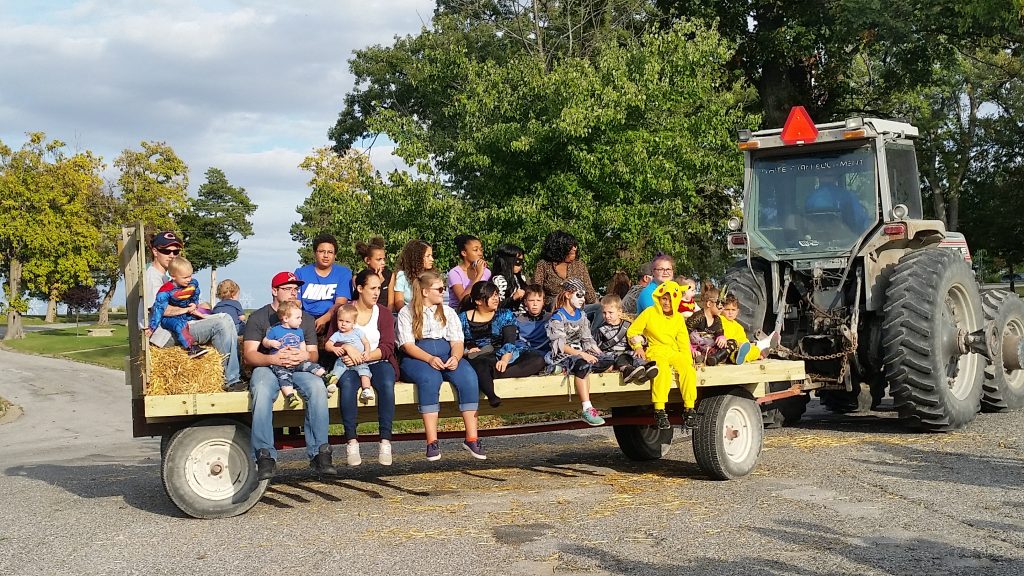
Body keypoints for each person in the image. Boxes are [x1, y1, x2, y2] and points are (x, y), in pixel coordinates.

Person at [243, 271, 335, 480]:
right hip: (268, 366)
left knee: (317, 387)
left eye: (296, 289)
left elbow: (313, 354)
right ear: (274, 291)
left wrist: (302, 354)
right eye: (287, 289)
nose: (293, 293)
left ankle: (320, 452)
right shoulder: (259, 317)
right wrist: (272, 359)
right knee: (262, 390)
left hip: (298, 367)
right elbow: (249, 355)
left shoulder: (305, 319)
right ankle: (265, 455)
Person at [397, 270, 485, 461]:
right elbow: (407, 345)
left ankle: (472, 438)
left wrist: (455, 356)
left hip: (446, 351)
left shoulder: (447, 311)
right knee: (430, 379)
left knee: (468, 377)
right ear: (425, 292)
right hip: (419, 355)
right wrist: (429, 358)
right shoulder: (407, 312)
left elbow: (457, 341)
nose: (442, 292)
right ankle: (432, 441)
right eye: (439, 289)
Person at [141, 231, 241, 389]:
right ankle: (231, 380)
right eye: (167, 251)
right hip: (165, 334)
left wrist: (200, 309)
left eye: (176, 251)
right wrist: (188, 310)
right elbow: (160, 310)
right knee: (221, 323)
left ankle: (233, 373)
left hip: (176, 325)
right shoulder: (152, 277)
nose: (172, 255)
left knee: (226, 318)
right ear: (155, 251)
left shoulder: (167, 277)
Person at [330, 269, 399, 467]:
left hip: (375, 360)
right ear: (360, 288)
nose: (377, 293)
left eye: (379, 288)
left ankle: (385, 440)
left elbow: (387, 346)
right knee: (349, 386)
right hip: (348, 365)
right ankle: (351, 440)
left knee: (387, 381)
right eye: (372, 288)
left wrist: (365, 356)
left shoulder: (383, 313)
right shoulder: (343, 312)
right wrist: (346, 350)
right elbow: (330, 342)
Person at [459, 281, 546, 408]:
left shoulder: (504, 314)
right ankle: (491, 395)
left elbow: (509, 340)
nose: (496, 298)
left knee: (537, 359)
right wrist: (466, 351)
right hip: (478, 355)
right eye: (492, 295)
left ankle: (491, 375)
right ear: (478, 301)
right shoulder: (462, 318)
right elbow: (455, 342)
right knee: (479, 363)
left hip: (501, 354)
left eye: (497, 294)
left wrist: (505, 359)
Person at [626, 280, 699, 432]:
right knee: (662, 371)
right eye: (664, 298)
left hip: (673, 351)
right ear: (659, 297)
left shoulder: (678, 318)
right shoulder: (649, 313)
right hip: (655, 350)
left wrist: (688, 360)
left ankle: (689, 409)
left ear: (676, 300)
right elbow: (633, 331)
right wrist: (638, 346)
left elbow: (683, 342)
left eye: (671, 299)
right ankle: (659, 409)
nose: (667, 303)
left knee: (688, 370)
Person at [545, 279, 613, 425]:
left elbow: (587, 339)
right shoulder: (558, 317)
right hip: (564, 355)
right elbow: (560, 345)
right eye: (579, 295)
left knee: (608, 360)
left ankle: (567, 369)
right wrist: (582, 355)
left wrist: (599, 354)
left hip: (581, 352)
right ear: (568, 294)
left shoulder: (581, 316)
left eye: (583, 296)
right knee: (583, 365)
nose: (583, 299)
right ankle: (587, 408)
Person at [261, 300, 339, 407]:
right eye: (297, 318)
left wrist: (303, 354)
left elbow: (302, 343)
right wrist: (270, 343)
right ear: (286, 318)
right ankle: (290, 396)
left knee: (311, 366)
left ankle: (325, 375)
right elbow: (265, 341)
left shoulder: (299, 331)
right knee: (283, 377)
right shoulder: (275, 330)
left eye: (301, 317)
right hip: (281, 363)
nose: (301, 320)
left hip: (297, 361)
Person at [145, 256, 210, 359]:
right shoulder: (165, 291)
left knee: (206, 314)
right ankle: (191, 348)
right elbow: (159, 309)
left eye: (190, 276)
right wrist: (152, 327)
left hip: (186, 312)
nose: (189, 279)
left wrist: (194, 303)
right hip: (170, 318)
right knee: (180, 326)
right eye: (185, 277)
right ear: (173, 276)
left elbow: (195, 293)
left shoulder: (192, 283)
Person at [294, 233, 352, 336]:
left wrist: (325, 319)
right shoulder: (301, 273)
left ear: (335, 255)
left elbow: (340, 303)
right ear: (315, 253)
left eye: (330, 252)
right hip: (306, 319)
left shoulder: (343, 273)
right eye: (321, 251)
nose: (326, 255)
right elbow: (296, 303)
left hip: (333, 318)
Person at [594, 295, 658, 383]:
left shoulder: (628, 326)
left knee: (635, 356)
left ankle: (645, 368)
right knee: (621, 359)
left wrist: (640, 343)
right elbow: (596, 346)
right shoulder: (600, 330)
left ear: (619, 312)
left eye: (610, 312)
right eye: (604, 313)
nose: (607, 316)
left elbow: (640, 338)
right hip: (613, 356)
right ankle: (627, 371)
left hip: (628, 352)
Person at [532, 230, 598, 312]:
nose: (574, 249)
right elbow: (536, 290)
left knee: (600, 308)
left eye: (575, 249)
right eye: (571, 250)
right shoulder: (543, 265)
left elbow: (589, 292)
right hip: (554, 306)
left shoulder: (579, 265)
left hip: (578, 305)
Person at [326, 304, 374, 404]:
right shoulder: (337, 334)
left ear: (354, 323)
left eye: (347, 322)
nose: (343, 324)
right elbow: (328, 345)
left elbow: (366, 342)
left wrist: (367, 351)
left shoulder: (357, 332)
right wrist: (334, 348)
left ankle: (366, 390)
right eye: (340, 320)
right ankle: (331, 386)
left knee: (365, 372)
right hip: (344, 360)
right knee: (337, 370)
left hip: (359, 360)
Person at [804, 172, 872, 236]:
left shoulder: (810, 198)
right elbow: (860, 220)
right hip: (847, 240)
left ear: (818, 177)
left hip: (818, 241)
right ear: (836, 177)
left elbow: (807, 223)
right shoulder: (848, 196)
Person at [719, 294, 779, 364]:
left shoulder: (738, 327)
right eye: (727, 309)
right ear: (722, 309)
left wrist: (747, 345)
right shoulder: (719, 320)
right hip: (726, 347)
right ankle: (761, 348)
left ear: (737, 311)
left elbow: (744, 341)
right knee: (740, 351)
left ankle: (754, 352)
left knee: (752, 350)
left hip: (739, 347)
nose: (730, 313)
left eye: (733, 310)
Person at [686, 282, 728, 366]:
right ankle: (707, 358)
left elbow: (720, 332)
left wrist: (721, 338)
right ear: (709, 304)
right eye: (720, 303)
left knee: (731, 343)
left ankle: (715, 358)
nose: (723, 307)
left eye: (724, 304)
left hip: (710, 347)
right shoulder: (697, 317)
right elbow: (684, 333)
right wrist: (691, 349)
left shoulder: (717, 319)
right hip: (695, 348)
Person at [390, 239, 436, 313]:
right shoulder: (402, 276)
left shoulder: (432, 276)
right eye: (428, 256)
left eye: (431, 255)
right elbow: (399, 304)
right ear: (417, 258)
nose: (432, 259)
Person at [448, 234, 491, 308]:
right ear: (464, 253)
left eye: (481, 250)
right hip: (459, 313)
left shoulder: (487, 272)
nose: (480, 254)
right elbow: (463, 300)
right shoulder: (455, 273)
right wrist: (479, 275)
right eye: (475, 250)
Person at [516, 284, 554, 360]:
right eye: (531, 300)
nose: (535, 304)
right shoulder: (518, 320)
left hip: (547, 356)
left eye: (538, 300)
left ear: (543, 302)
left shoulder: (551, 319)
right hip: (526, 355)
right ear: (525, 302)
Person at [490, 243, 528, 314]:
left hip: (524, 317)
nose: (520, 265)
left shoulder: (520, 277)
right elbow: (496, 306)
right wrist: (513, 298)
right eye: (517, 262)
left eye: (522, 262)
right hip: (507, 318)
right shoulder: (499, 280)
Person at [355, 237, 392, 310]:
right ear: (368, 260)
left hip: (385, 314)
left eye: (384, 259)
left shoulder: (389, 275)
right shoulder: (359, 277)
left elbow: (391, 303)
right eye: (379, 260)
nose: (383, 263)